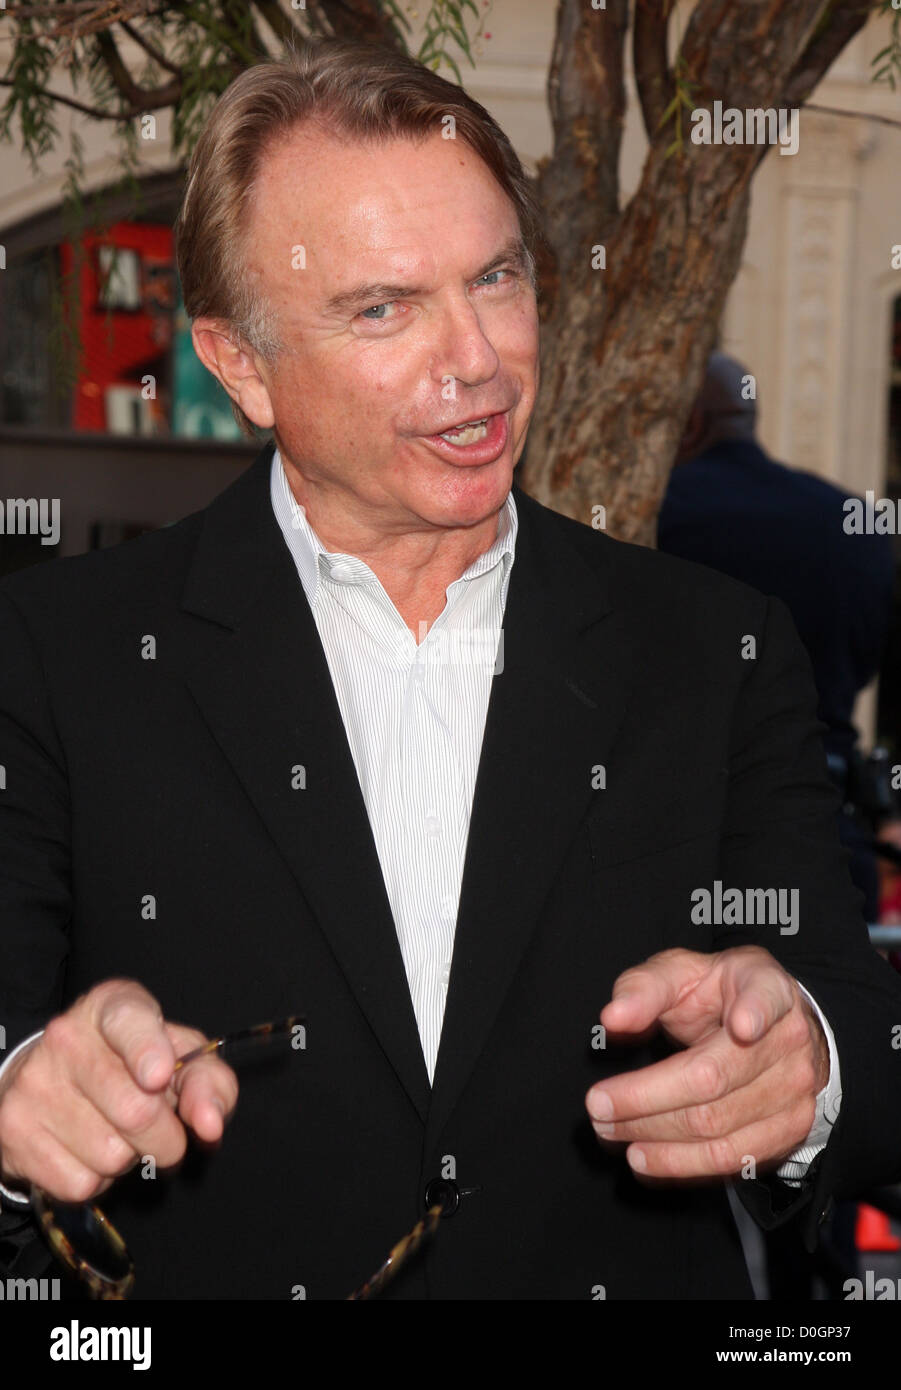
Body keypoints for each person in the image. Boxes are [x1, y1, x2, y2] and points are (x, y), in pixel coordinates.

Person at [0, 41, 900, 1301]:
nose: (475, 358)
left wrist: (804, 1059)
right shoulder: (53, 655)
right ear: (240, 362)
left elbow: (865, 1044)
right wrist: (26, 1093)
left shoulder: (714, 645)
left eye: (495, 278)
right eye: (383, 307)